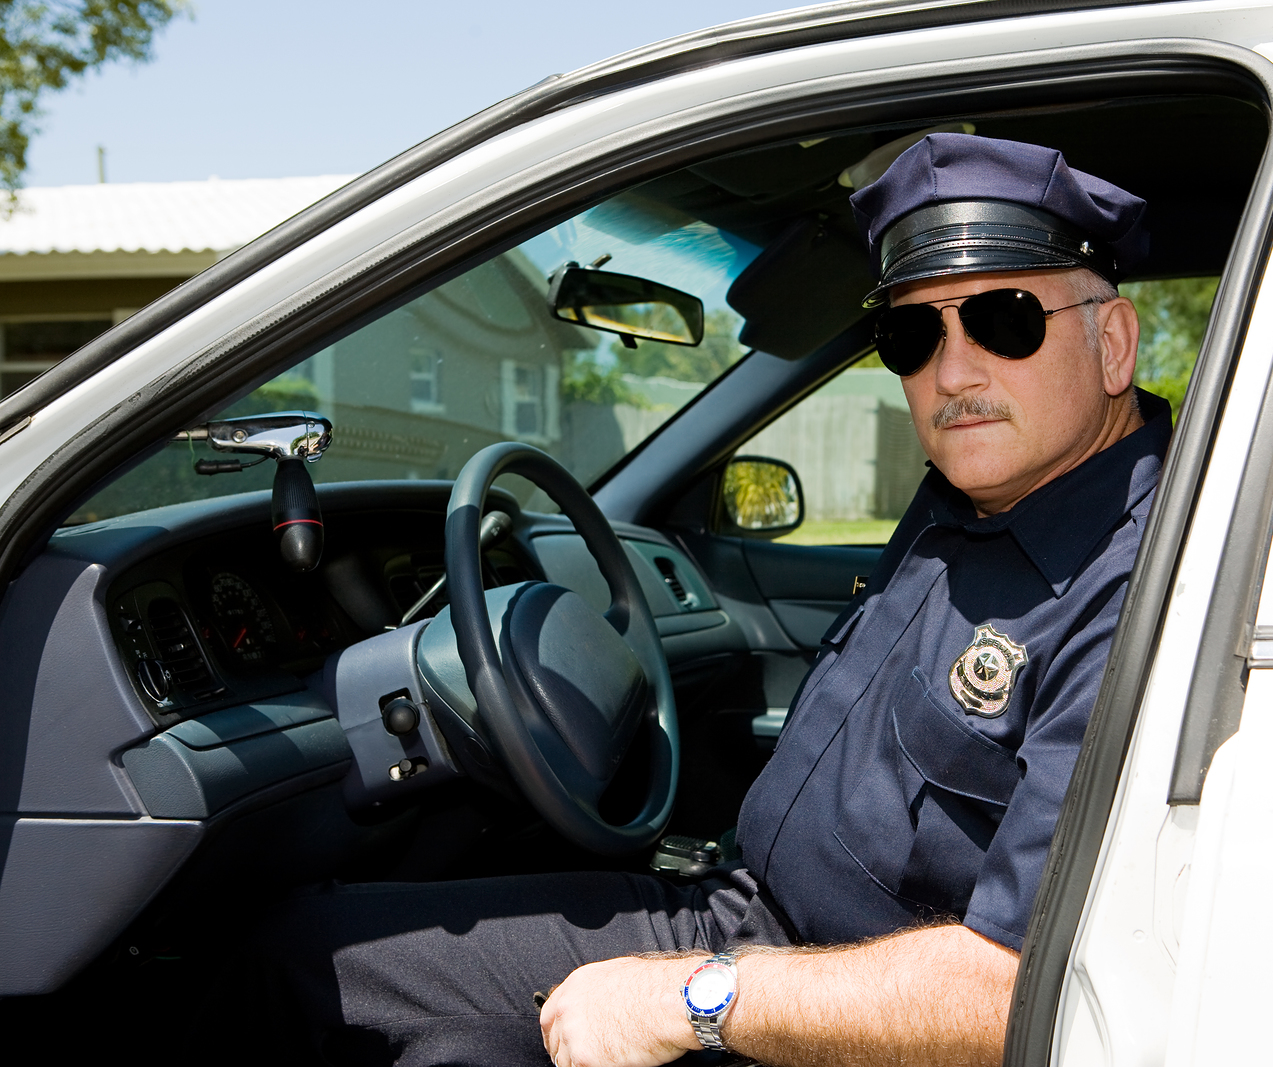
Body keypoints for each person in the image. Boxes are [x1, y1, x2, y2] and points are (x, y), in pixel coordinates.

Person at [262, 133, 1170, 1067]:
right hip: (739, 921)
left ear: (1112, 343)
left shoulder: (1143, 590)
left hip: (848, 1015)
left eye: (1005, 320)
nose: (953, 373)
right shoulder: (970, 496)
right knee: (309, 954)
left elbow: (1017, 992)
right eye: (911, 334)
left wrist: (697, 998)